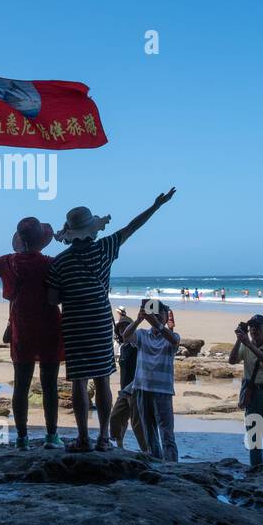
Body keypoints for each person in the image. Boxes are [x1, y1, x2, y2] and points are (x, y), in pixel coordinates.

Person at [46, 189, 176, 452]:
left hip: (74, 324)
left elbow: (52, 299)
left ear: (69, 233)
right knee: (103, 378)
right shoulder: (106, 247)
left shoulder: (59, 262)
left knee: (79, 381)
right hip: (99, 322)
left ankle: (83, 438)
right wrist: (156, 205)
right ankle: (103, 438)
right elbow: (131, 227)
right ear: (92, 230)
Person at [0, 217, 64, 450]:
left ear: (20, 241)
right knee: (50, 385)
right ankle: (52, 436)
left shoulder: (8, 263)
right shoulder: (51, 263)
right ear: (41, 241)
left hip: (22, 329)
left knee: (21, 386)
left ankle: (22, 438)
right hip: (50, 328)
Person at [124, 301, 180, 461]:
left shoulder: (172, 336)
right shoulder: (142, 334)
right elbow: (126, 336)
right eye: (153, 312)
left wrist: (157, 323)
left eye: (159, 313)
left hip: (163, 391)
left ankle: (172, 467)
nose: (155, 316)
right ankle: (156, 463)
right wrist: (139, 319)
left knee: (167, 434)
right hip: (142, 388)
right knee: (149, 433)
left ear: (165, 316)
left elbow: (174, 342)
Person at [230, 314, 263, 466]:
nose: (253, 330)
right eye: (251, 327)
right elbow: (232, 360)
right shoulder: (245, 345)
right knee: (254, 439)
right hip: (252, 394)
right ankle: (256, 471)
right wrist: (238, 340)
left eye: (257, 327)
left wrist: (248, 344)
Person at [110, 307, 147, 451]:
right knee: (116, 418)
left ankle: (146, 449)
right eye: (120, 329)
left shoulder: (136, 346)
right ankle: (119, 445)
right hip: (123, 390)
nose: (122, 331)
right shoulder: (123, 347)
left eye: (126, 327)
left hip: (135, 389)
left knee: (137, 422)